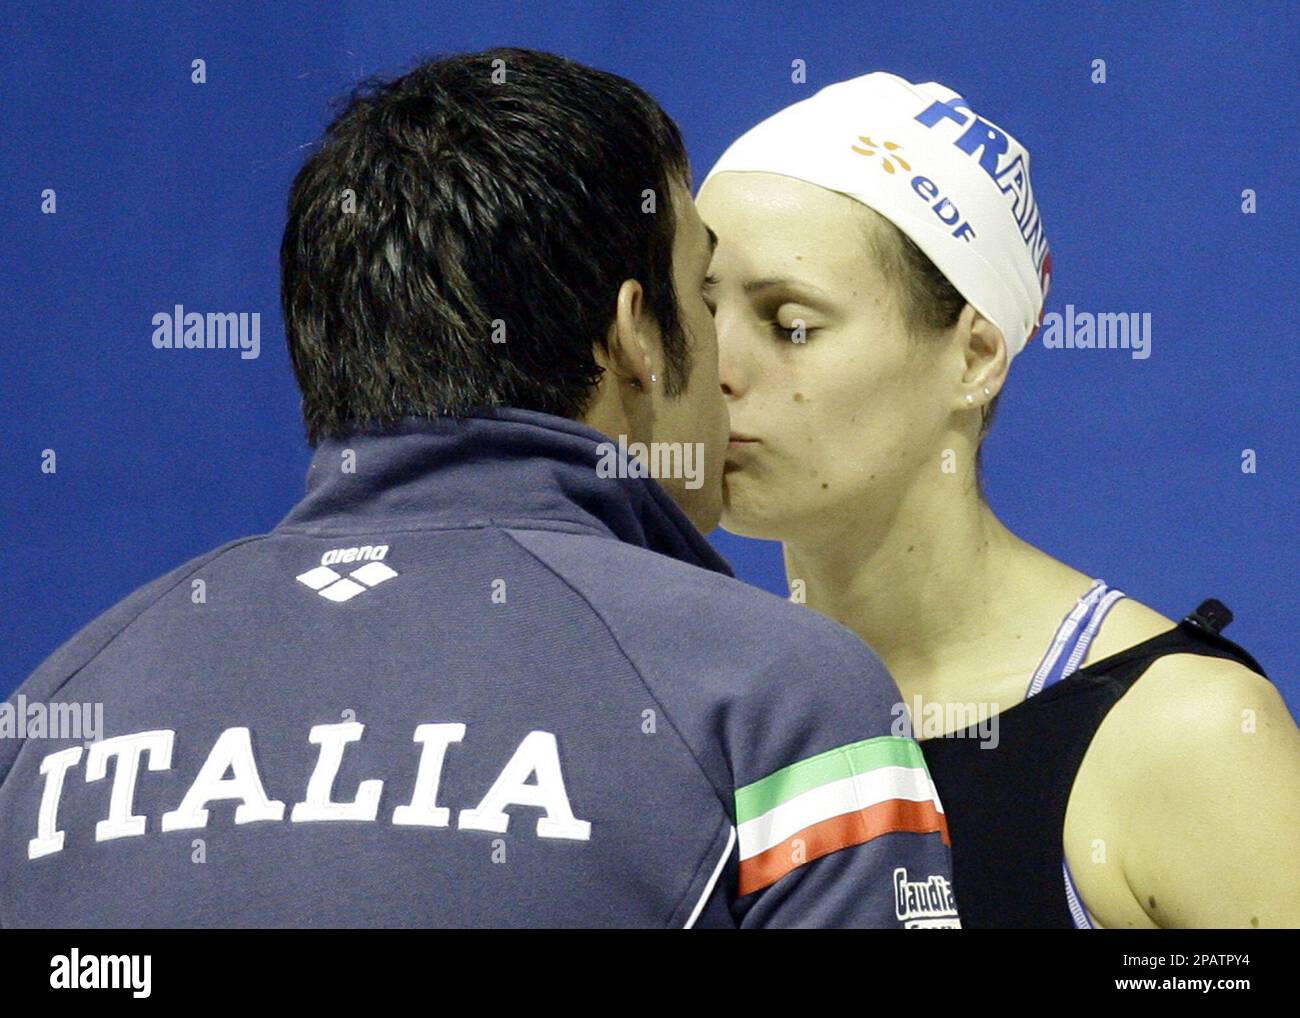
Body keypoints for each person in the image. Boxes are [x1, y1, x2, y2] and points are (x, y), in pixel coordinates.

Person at [0, 50, 957, 929]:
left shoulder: (47, 719)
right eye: (704, 297)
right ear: (633, 335)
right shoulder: (781, 704)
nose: (729, 369)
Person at [697, 71, 1300, 928]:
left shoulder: (1185, 737)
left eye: (790, 323)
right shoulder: (703, 722)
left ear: (976, 356)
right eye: (700, 309)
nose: (716, 372)